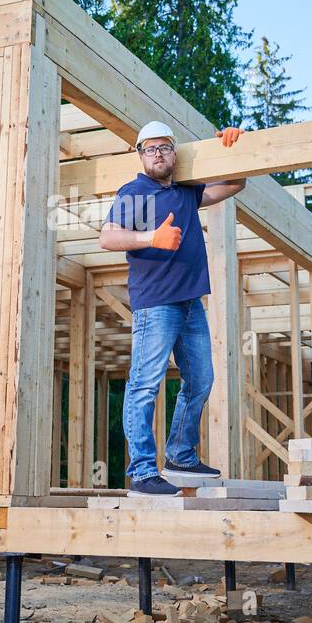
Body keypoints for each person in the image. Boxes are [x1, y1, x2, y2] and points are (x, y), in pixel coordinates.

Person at [98, 120, 247, 496]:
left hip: (190, 302)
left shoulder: (185, 191)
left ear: (174, 153)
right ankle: (143, 471)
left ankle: (180, 453)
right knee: (144, 386)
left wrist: (232, 151)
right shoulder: (134, 192)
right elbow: (108, 237)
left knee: (201, 380)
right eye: (150, 149)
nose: (158, 154)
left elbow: (233, 185)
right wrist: (153, 237)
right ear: (141, 155)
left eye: (164, 147)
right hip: (156, 304)